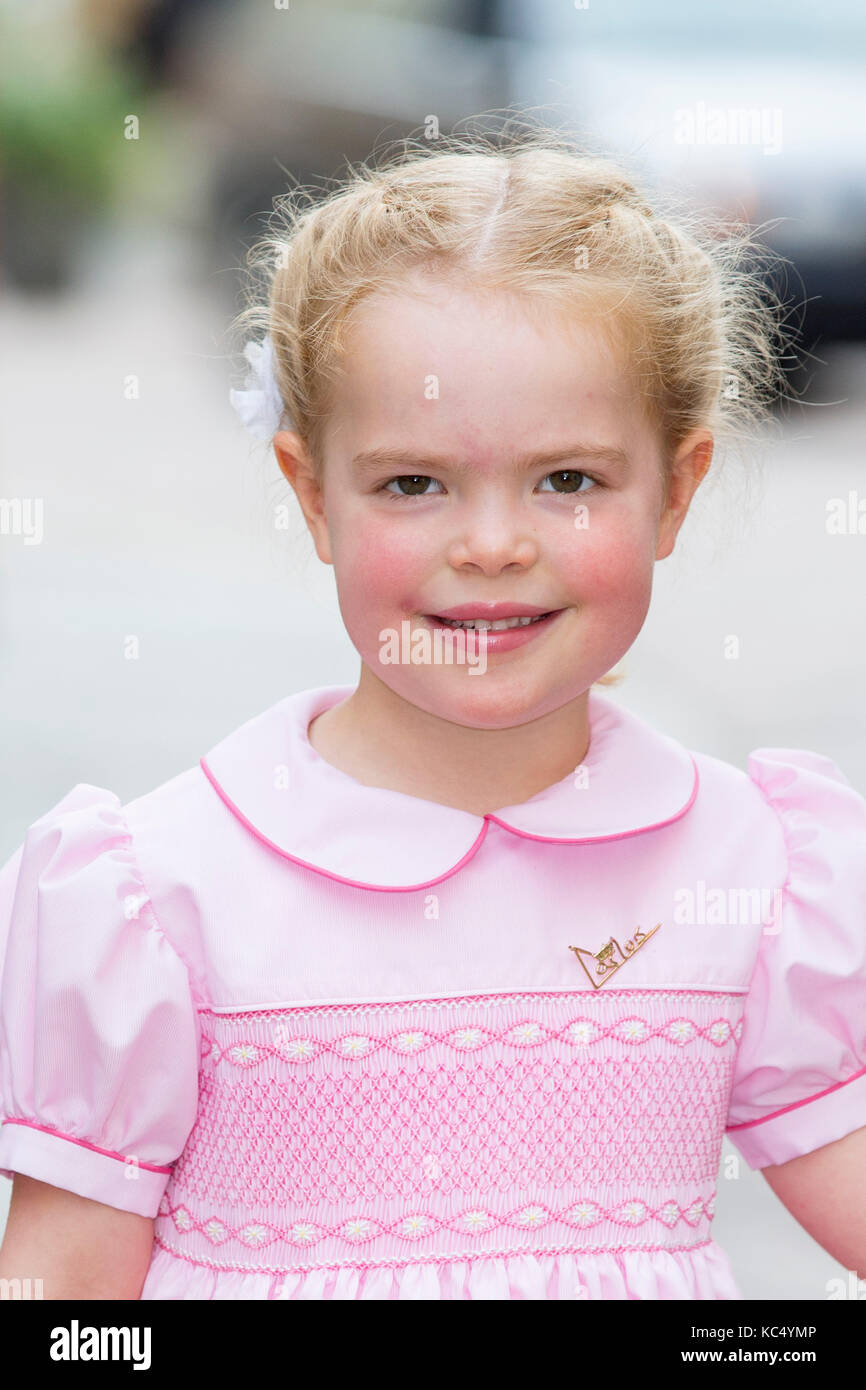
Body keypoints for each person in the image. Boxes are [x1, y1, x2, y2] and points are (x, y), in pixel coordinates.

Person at [1, 126, 865, 1301]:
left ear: (677, 489)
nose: (492, 544)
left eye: (567, 480)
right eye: (413, 483)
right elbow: (64, 1301)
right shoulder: (154, 893)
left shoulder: (754, 869)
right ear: (312, 494)